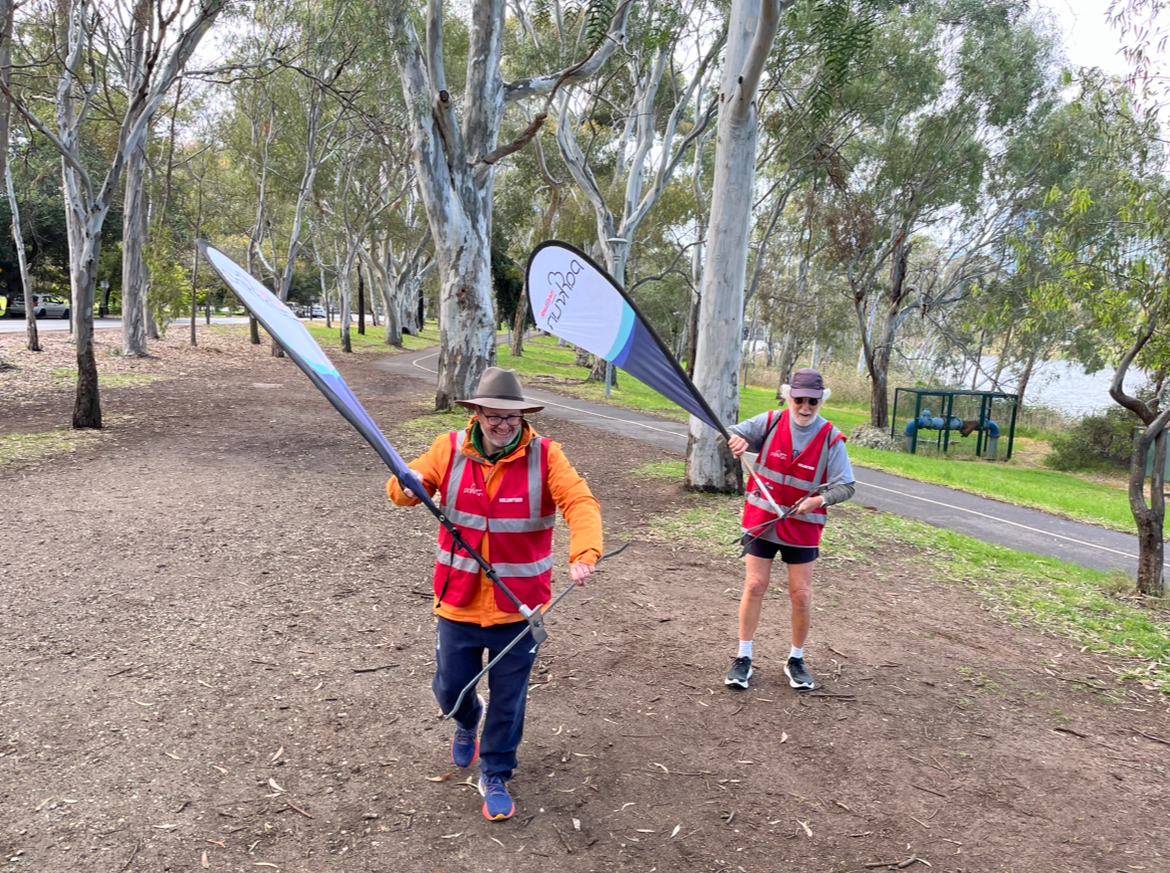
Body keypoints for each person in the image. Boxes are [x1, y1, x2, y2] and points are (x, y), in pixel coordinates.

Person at [387, 367, 602, 821]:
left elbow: (579, 502)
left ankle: (496, 772)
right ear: (477, 412)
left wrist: (583, 551)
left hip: (519, 608)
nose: (503, 424)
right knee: (450, 689)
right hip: (457, 600)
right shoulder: (448, 449)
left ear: (523, 416)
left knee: (510, 699)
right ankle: (467, 721)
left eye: (511, 417)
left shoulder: (546, 456)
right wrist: (405, 486)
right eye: (494, 415)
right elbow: (407, 491)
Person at [723, 367, 855, 692]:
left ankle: (795, 659)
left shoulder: (830, 437)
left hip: (802, 529)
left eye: (813, 400)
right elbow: (726, 432)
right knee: (755, 585)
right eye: (799, 400)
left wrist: (818, 501)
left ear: (821, 400)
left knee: (801, 595)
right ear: (789, 397)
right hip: (762, 521)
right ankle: (744, 658)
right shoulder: (770, 421)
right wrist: (736, 439)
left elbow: (846, 485)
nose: (805, 407)